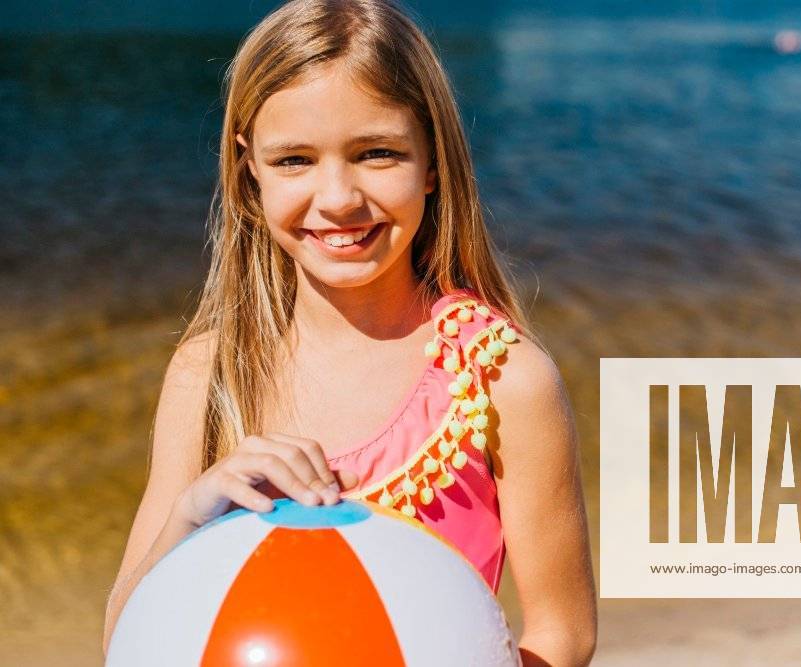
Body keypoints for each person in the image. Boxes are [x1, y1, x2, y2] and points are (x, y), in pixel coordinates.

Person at [101, 0, 597, 664]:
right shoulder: (210, 373)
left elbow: (563, 633)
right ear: (250, 169)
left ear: (432, 162)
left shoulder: (502, 379)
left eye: (377, 153)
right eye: (294, 161)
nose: (337, 197)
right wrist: (192, 512)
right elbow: (123, 640)